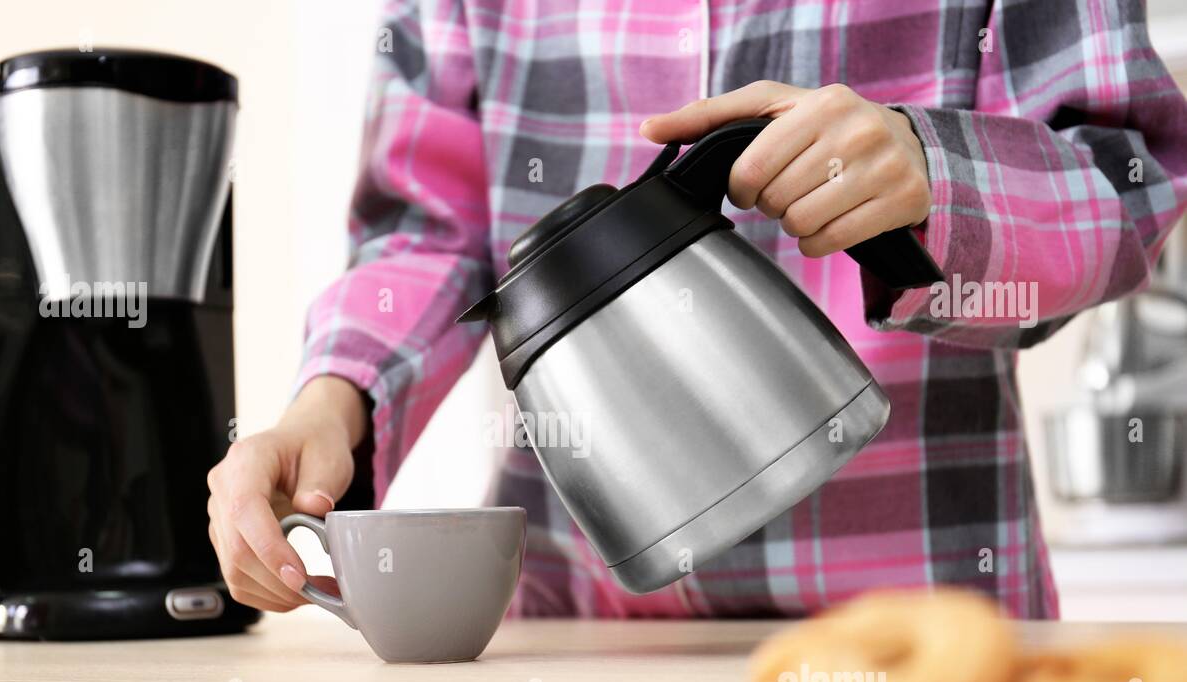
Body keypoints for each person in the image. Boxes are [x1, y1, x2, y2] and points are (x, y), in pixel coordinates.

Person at [207, 0, 1187, 619]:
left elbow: (1134, 185)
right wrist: (328, 407)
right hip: (578, 656)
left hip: (926, 642)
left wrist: (935, 175)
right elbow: (427, 234)